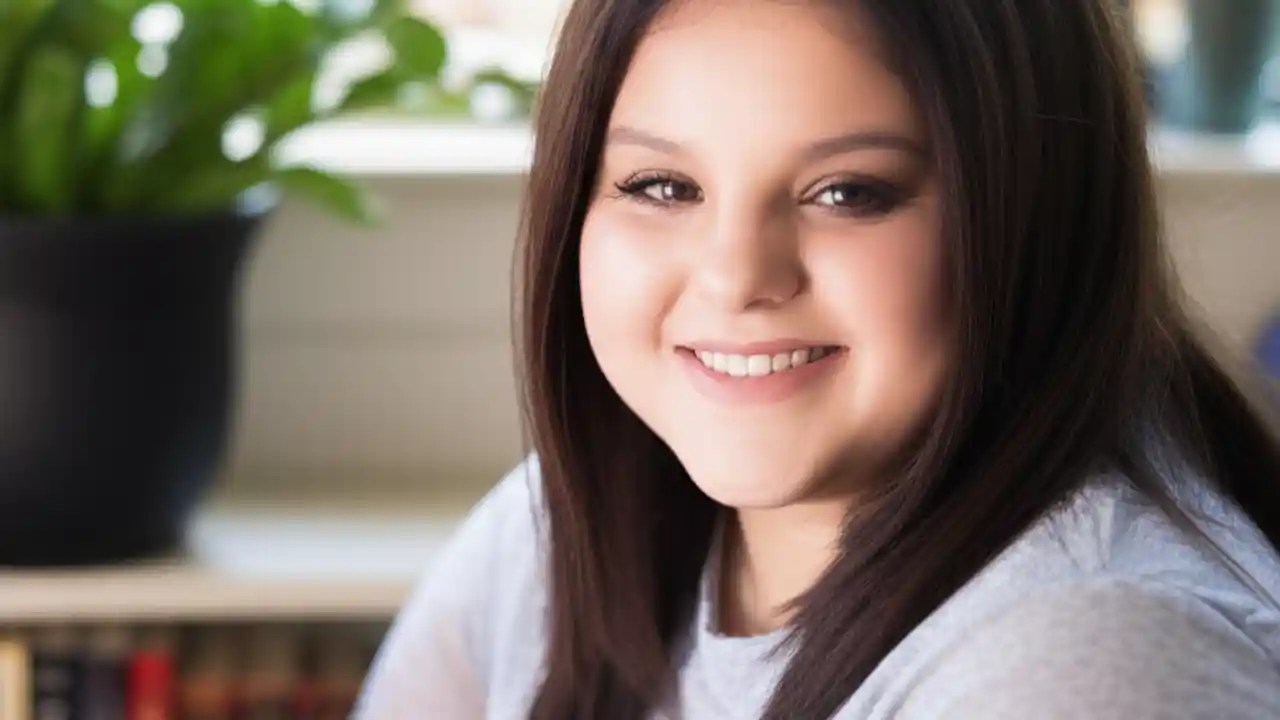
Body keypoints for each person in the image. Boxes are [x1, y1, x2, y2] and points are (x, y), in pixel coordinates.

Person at [357, 1, 1280, 717]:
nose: (735, 277)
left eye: (847, 192)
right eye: (662, 185)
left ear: (1039, 214)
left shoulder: (1090, 661)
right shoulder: (563, 534)